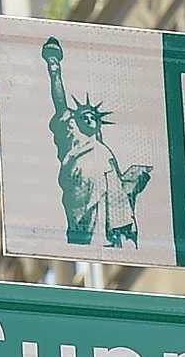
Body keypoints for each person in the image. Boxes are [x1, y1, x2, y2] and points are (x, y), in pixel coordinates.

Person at [43, 37, 152, 248]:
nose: (89, 118)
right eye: (84, 115)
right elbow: (60, 105)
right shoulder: (71, 136)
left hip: (107, 212)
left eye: (93, 116)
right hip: (81, 200)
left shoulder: (105, 151)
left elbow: (120, 191)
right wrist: (54, 69)